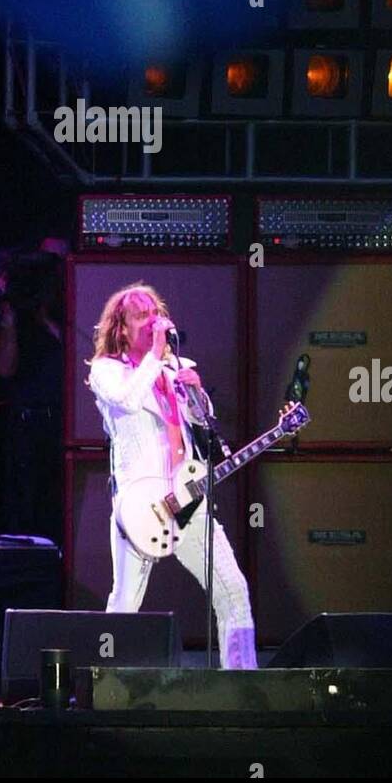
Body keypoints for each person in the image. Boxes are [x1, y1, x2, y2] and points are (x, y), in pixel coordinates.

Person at [87, 282, 258, 670]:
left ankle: (247, 684)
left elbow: (202, 423)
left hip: (187, 497)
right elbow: (128, 400)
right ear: (122, 329)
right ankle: (104, 686)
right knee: (125, 603)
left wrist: (196, 394)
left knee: (233, 590)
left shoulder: (178, 368)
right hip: (140, 505)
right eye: (140, 316)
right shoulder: (107, 371)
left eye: (154, 313)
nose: (151, 321)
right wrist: (153, 358)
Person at [0, 248, 64, 543]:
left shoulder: (63, 317)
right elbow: (4, 369)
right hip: (26, 424)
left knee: (55, 505)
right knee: (24, 506)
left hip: (59, 425)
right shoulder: (18, 320)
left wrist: (47, 317)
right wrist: (9, 324)